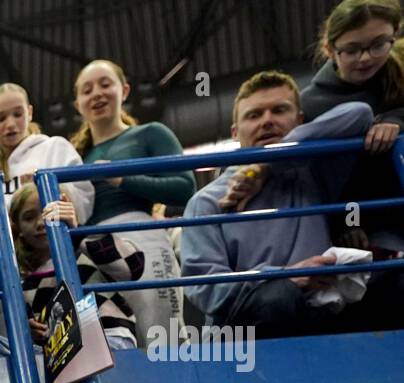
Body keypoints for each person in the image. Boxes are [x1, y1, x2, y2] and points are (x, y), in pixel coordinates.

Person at [180, 72, 391, 337]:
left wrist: (268, 164)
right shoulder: (206, 201)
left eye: (279, 110)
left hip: (323, 310)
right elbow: (206, 289)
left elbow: (359, 114)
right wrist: (285, 277)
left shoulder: (314, 173)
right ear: (235, 133)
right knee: (280, 297)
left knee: (395, 281)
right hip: (249, 325)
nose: (267, 120)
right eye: (254, 115)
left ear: (300, 121)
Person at [71, 59, 195, 343]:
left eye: (105, 84)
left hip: (142, 239)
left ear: (124, 90)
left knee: (165, 341)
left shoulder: (150, 133)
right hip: (91, 250)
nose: (97, 94)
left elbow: (185, 187)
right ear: (78, 105)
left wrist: (122, 179)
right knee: (110, 345)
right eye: (87, 90)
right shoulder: (75, 157)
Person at [301, 0, 404, 254]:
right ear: (329, 49)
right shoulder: (311, 106)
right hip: (370, 223)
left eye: (379, 45)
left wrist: (396, 119)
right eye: (352, 50)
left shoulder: (400, 70)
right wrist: (345, 224)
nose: (366, 57)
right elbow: (320, 183)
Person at [3, 184, 143, 351]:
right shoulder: (22, 281)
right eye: (29, 218)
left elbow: (133, 267)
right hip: (61, 352)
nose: (40, 223)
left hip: (109, 336)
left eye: (48, 212)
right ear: (18, 229)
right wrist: (31, 332)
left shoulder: (88, 249)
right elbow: (39, 333)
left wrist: (76, 231)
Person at [0, 82, 93, 223]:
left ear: (29, 113)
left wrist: (47, 187)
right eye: (1, 119)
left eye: (18, 114)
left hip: (52, 233)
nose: (10, 124)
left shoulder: (55, 147)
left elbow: (84, 198)